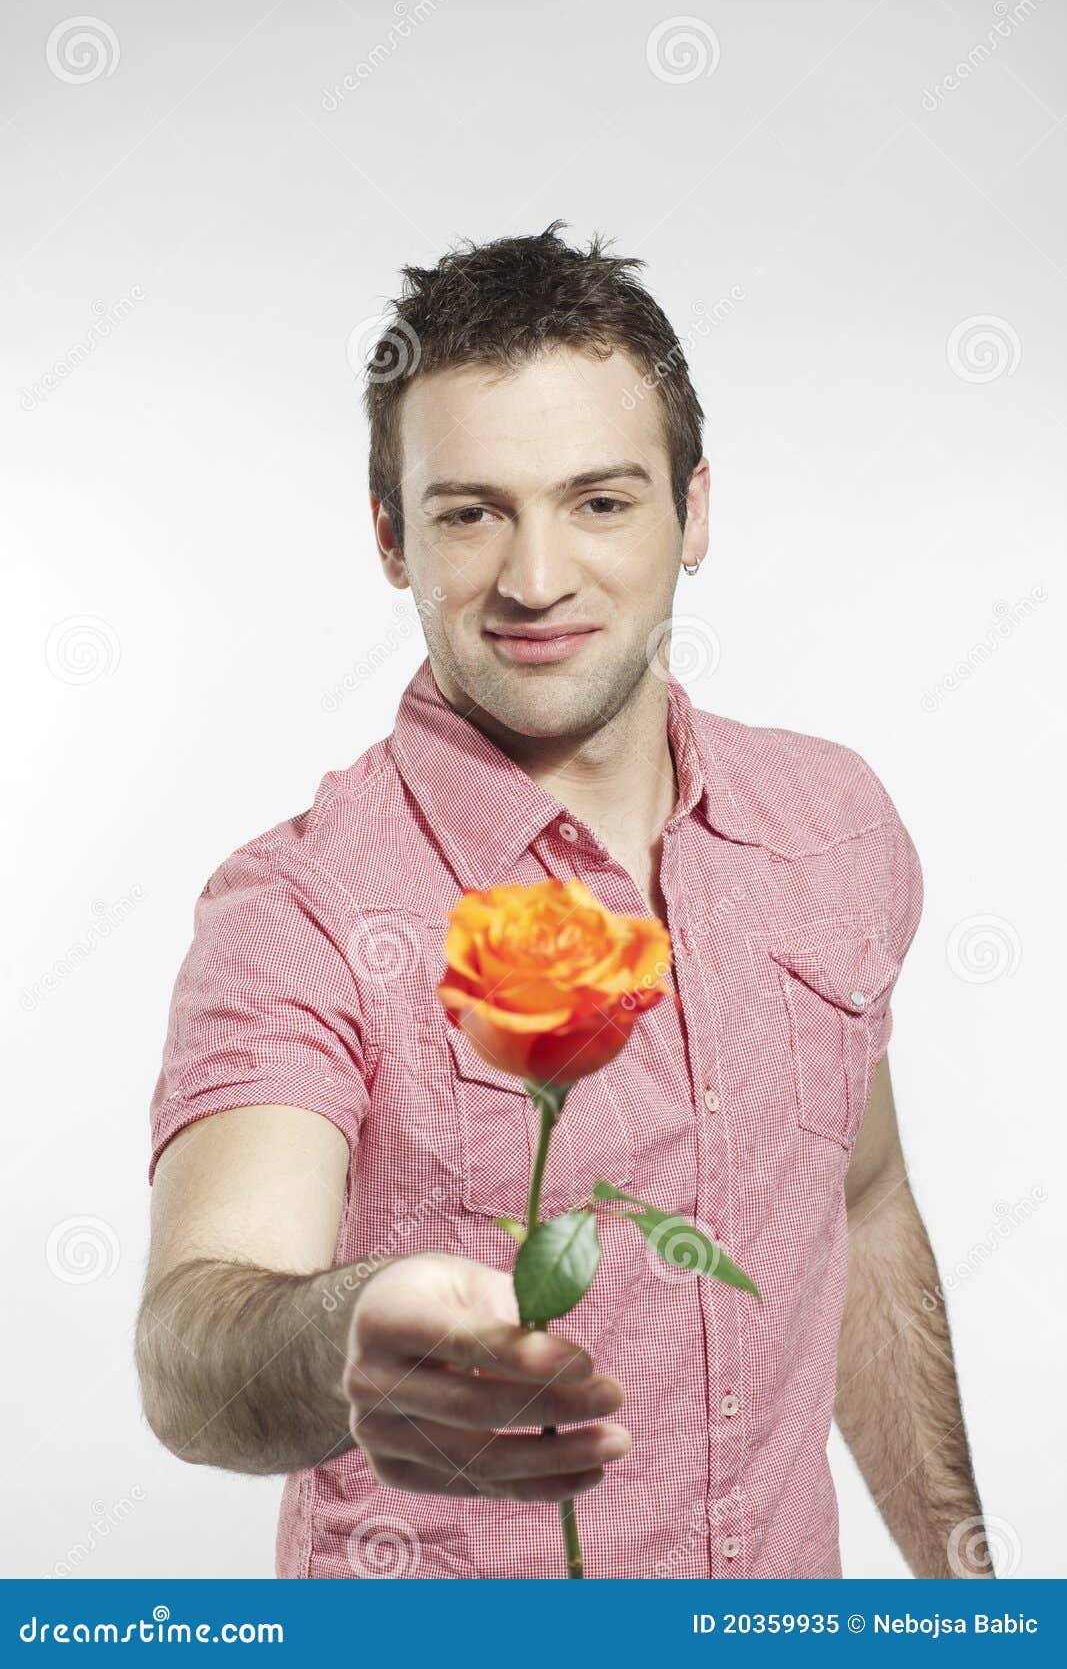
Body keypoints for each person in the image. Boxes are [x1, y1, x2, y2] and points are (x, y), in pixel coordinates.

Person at [136, 220, 990, 1580]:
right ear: (388, 536)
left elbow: (864, 1201)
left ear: (694, 509)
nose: (534, 580)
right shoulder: (299, 907)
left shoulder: (834, 826)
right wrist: (354, 1329)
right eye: (471, 510)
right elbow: (196, 1338)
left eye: (599, 500)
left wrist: (966, 1592)